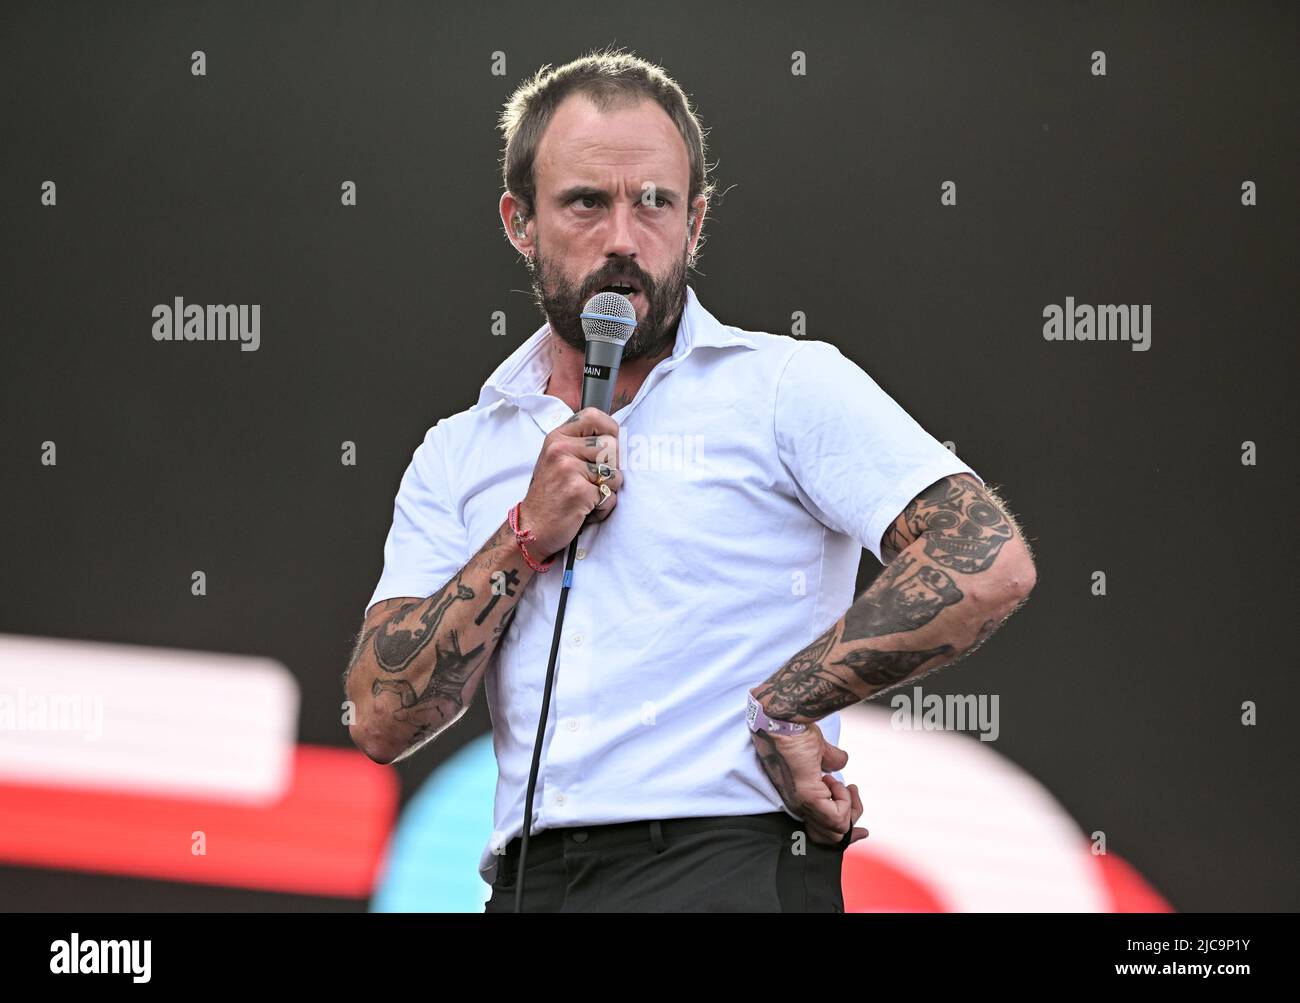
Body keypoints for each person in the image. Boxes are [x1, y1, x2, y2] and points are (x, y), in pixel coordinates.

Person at [343, 47, 1037, 912]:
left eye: (655, 203)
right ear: (519, 221)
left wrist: (786, 704)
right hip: (531, 885)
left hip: (728, 864)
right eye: (587, 203)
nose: (624, 239)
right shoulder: (460, 446)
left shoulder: (785, 385)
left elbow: (986, 555)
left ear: (696, 222)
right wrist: (525, 533)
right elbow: (379, 716)